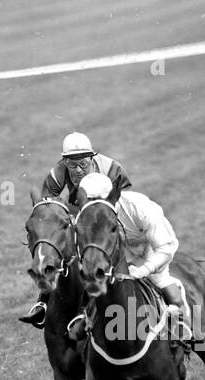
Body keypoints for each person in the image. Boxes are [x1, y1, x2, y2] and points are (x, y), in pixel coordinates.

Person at [20, 132, 132, 327]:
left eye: (84, 164)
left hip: (106, 211)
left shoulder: (113, 170)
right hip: (77, 210)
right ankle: (43, 301)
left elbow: (124, 202)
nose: (79, 170)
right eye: (72, 165)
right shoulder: (57, 173)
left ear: (92, 158)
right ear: (64, 162)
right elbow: (49, 210)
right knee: (59, 242)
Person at [77, 171, 192, 344]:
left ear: (111, 197)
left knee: (161, 283)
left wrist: (143, 270)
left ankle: (181, 326)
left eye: (96, 202)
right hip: (118, 250)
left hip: (150, 247)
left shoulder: (138, 207)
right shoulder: (88, 214)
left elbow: (165, 246)